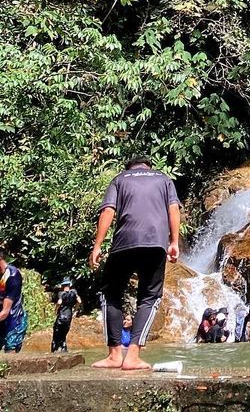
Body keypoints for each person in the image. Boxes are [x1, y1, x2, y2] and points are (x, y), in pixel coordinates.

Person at [90, 154, 180, 371]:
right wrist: (174, 242)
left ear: (129, 167)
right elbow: (174, 209)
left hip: (124, 243)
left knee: (110, 294)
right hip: (155, 244)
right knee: (149, 297)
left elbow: (108, 210)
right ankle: (132, 356)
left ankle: (114, 355)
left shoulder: (120, 179)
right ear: (149, 166)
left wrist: (97, 245)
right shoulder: (163, 179)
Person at [0, 251, 27, 353]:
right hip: (2, 322)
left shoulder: (12, 276)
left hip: (14, 322)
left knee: (9, 357)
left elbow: (5, 312)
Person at [52, 278, 80, 352]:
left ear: (62, 285)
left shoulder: (61, 293)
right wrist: (75, 310)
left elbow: (59, 302)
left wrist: (55, 310)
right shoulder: (74, 292)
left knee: (56, 334)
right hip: (69, 316)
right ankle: (64, 348)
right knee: (64, 334)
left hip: (61, 316)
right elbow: (79, 301)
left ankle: (55, 349)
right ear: (69, 285)